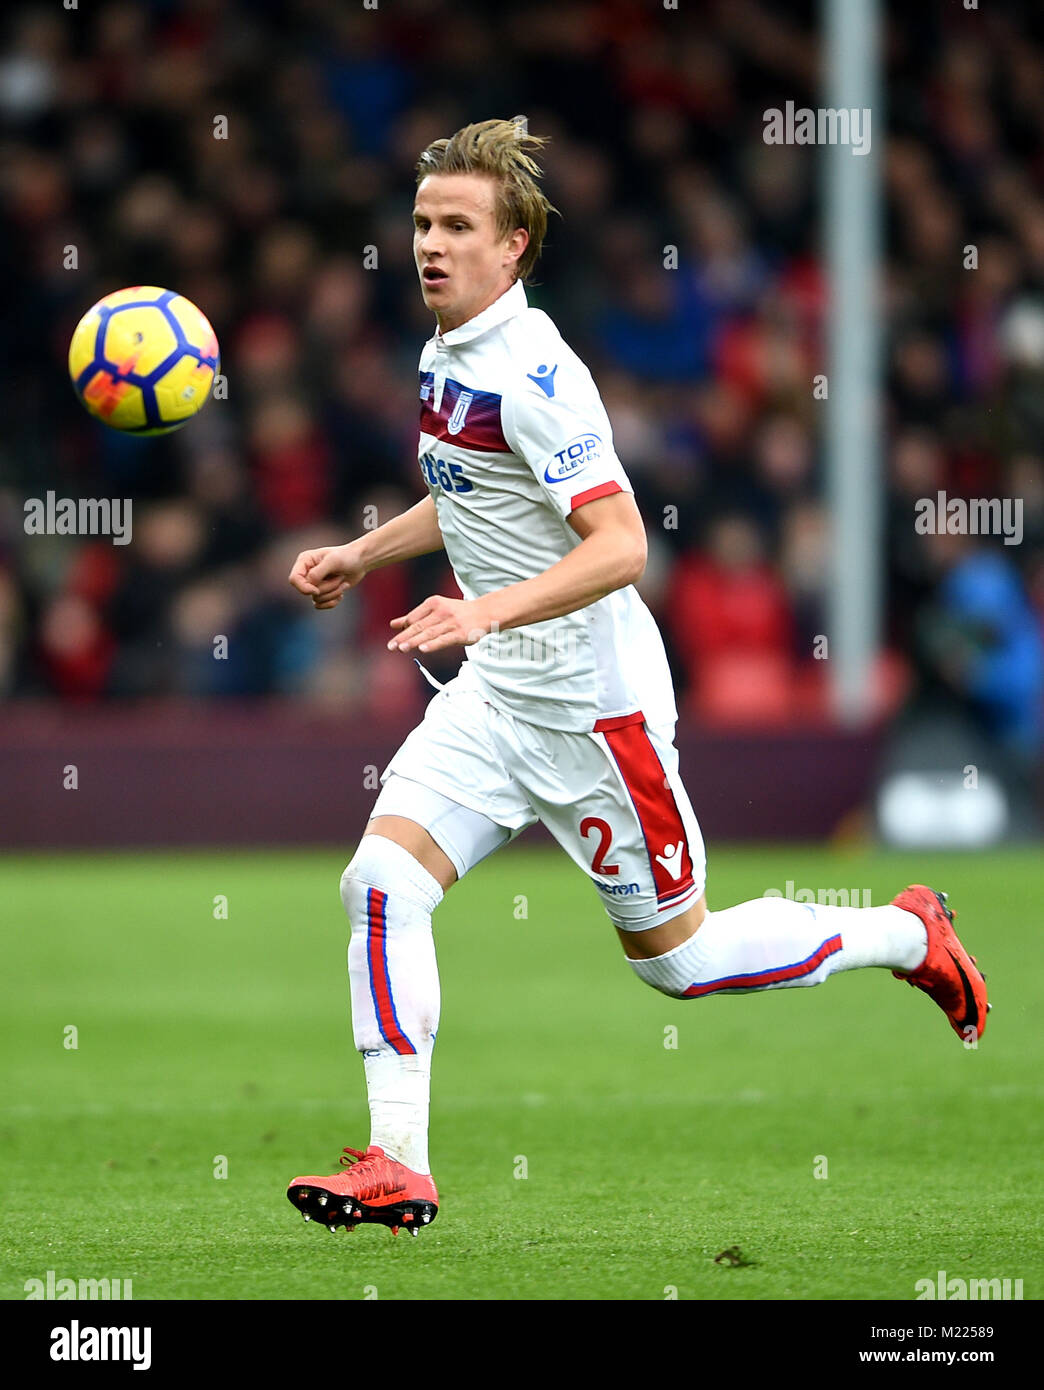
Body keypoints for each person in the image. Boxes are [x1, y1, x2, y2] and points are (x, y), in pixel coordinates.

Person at [284, 119, 988, 1238]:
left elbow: (620, 546)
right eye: (422, 224)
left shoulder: (536, 374)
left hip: (592, 712)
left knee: (682, 962)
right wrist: (362, 553)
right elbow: (469, 494)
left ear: (513, 245)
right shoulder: (444, 351)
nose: (430, 245)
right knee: (380, 886)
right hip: (495, 695)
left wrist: (483, 608)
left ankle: (906, 933)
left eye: (458, 227)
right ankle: (397, 1162)